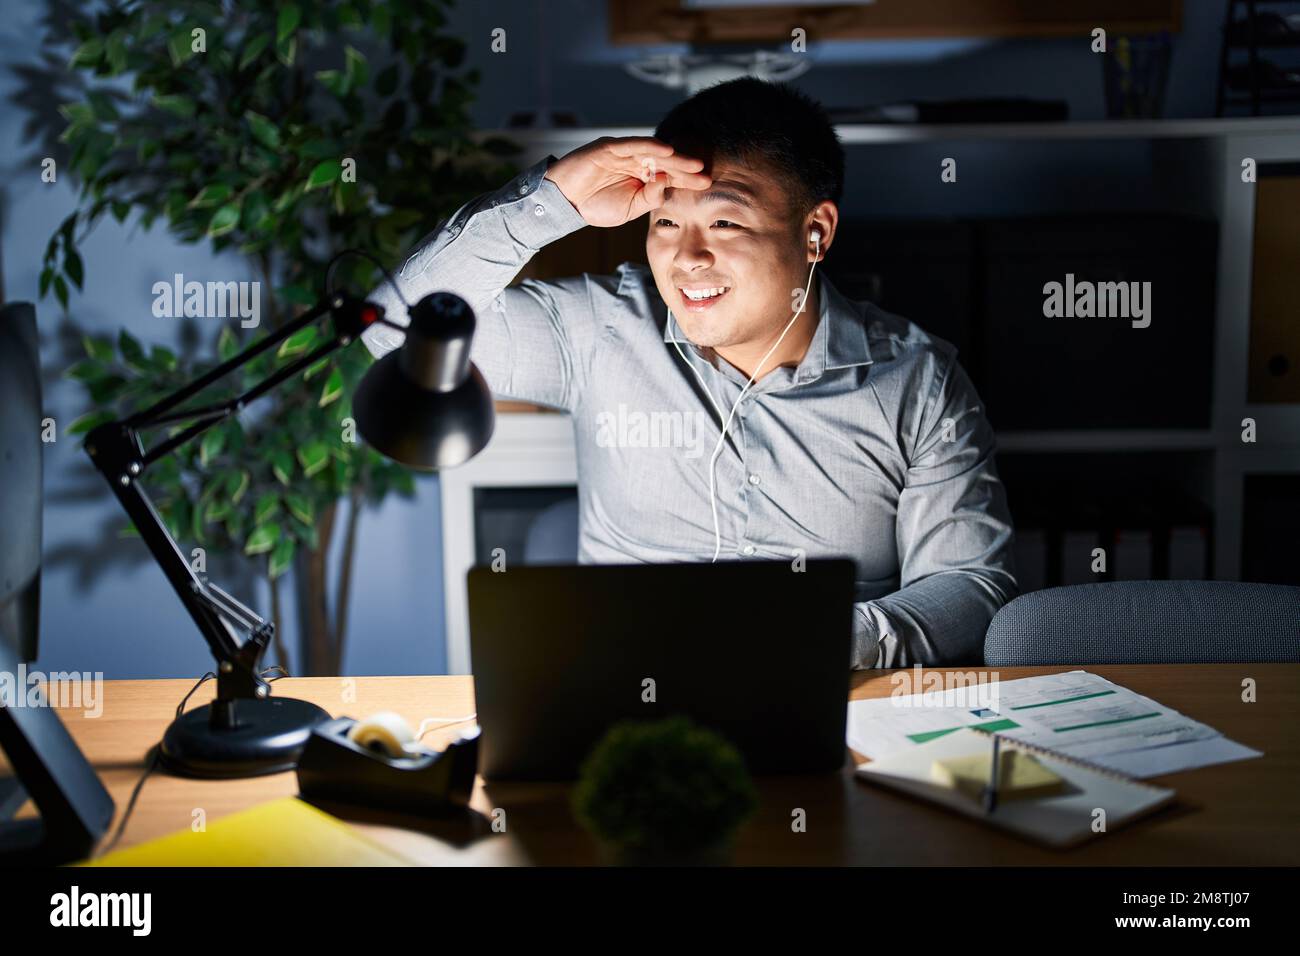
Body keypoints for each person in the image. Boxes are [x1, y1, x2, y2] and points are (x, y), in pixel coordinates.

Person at [363, 77, 1017, 667]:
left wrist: (837, 640)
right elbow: (392, 327)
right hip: (625, 697)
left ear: (815, 232)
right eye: (667, 221)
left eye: (725, 221)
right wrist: (553, 201)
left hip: (836, 697)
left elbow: (970, 585)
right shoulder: (599, 328)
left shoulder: (918, 381)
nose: (686, 257)